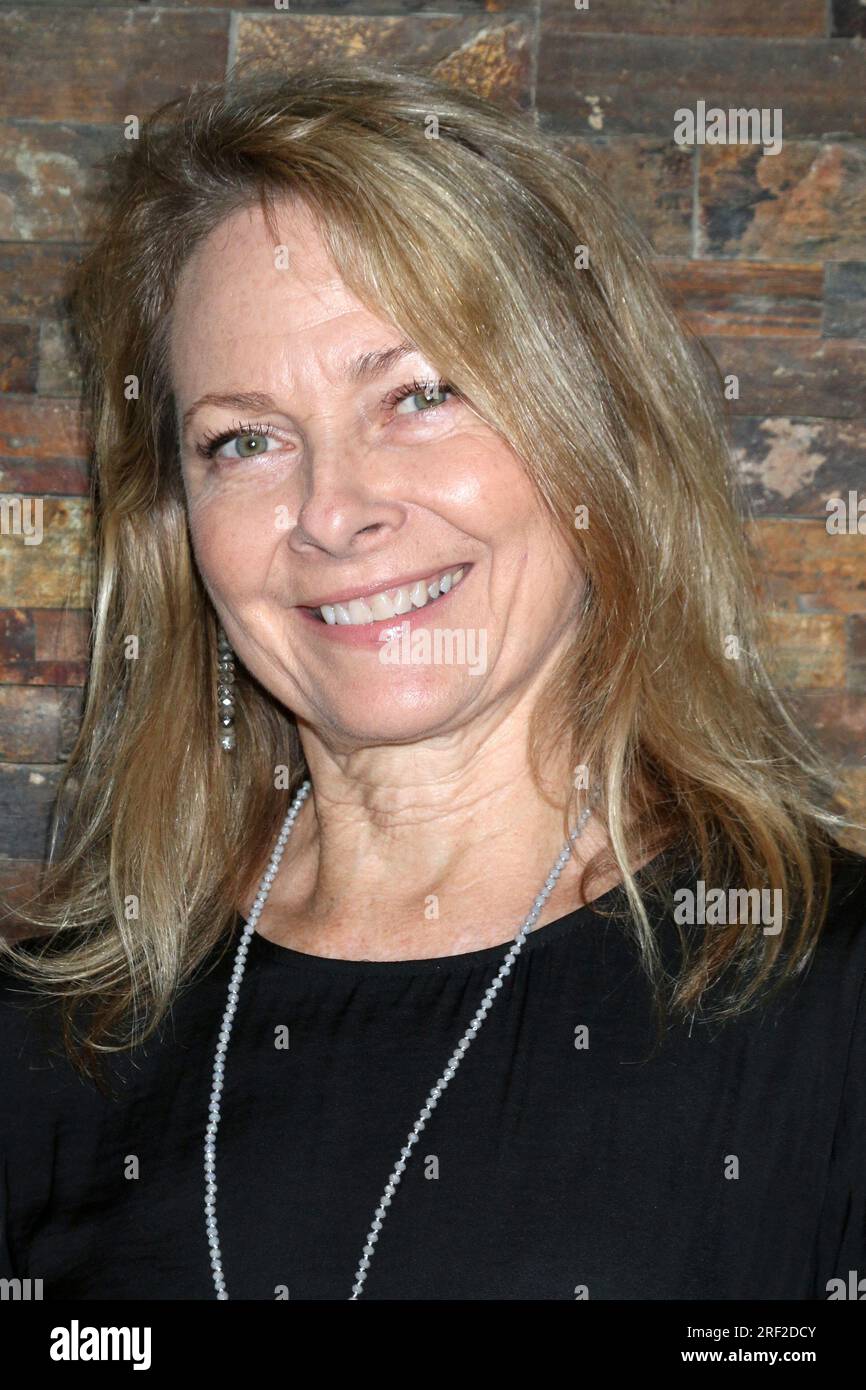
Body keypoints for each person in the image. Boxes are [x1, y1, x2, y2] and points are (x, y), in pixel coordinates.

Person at [1, 60, 864, 1302]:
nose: (333, 511)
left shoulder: (823, 1002)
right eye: (244, 440)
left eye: (419, 394)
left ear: (596, 433)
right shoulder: (47, 1039)